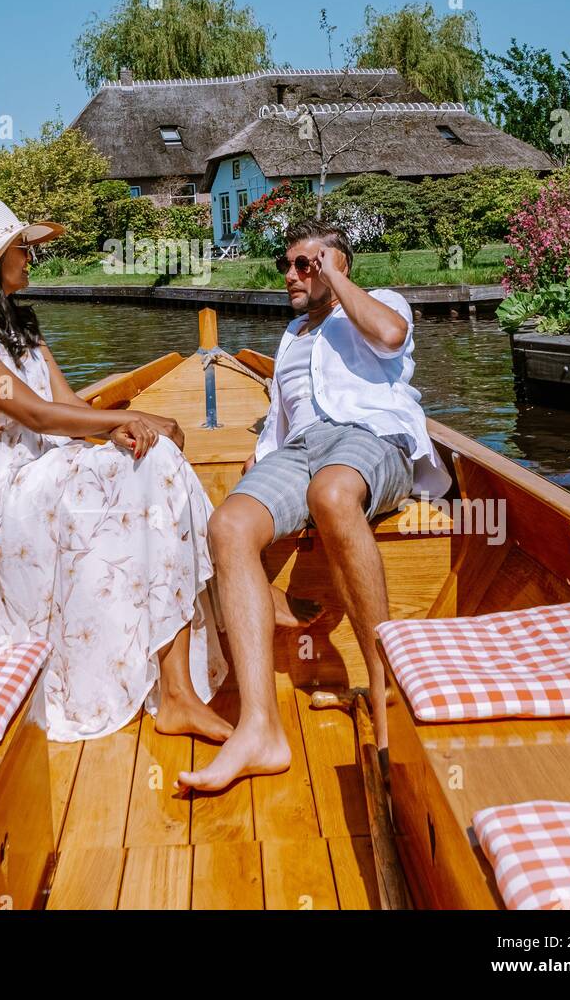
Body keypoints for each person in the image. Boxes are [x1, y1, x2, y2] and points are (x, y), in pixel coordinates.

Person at [0, 197, 228, 743]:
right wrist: (131, 414)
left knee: (150, 455)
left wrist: (120, 428)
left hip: (45, 467)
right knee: (150, 455)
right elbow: (35, 413)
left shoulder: (18, 323)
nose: (32, 255)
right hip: (3, 491)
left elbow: (69, 408)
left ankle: (178, 688)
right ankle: (217, 610)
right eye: (23, 246)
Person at [178, 218, 450, 793]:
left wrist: (336, 278)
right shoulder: (292, 336)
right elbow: (282, 418)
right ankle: (259, 730)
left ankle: (384, 689)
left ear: (338, 265)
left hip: (372, 439)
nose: (292, 274)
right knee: (227, 526)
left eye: (307, 263)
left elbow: (392, 337)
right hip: (301, 449)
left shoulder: (377, 303)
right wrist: (261, 461)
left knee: (330, 493)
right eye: (288, 265)